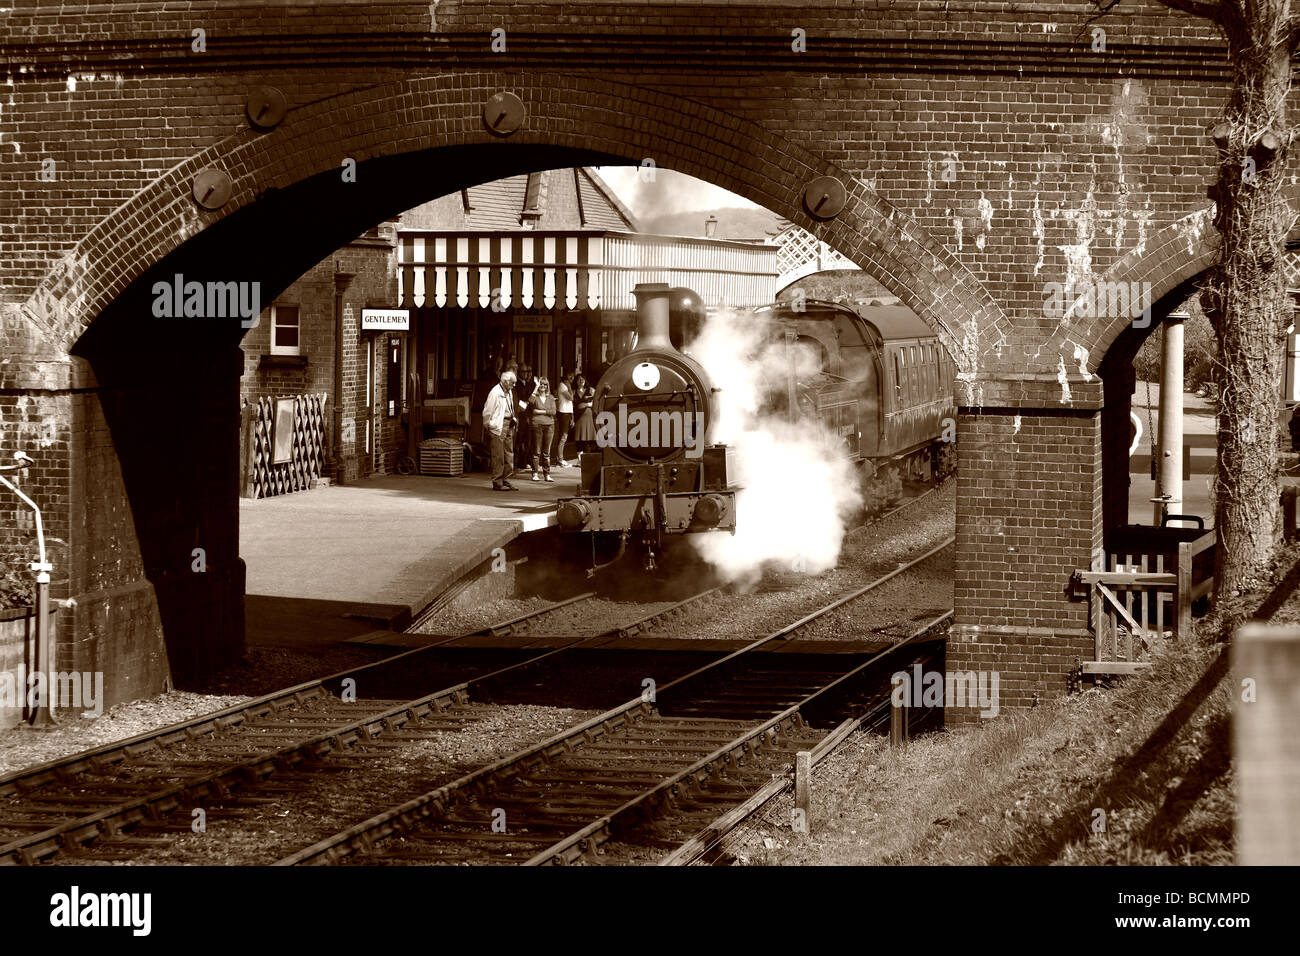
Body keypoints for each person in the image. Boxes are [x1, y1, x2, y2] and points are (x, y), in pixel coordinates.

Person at [482, 369, 518, 491]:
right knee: (498, 455)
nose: (514, 385)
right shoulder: (495, 392)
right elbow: (487, 411)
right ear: (506, 381)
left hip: (508, 424)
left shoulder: (509, 391)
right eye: (512, 382)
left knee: (509, 454)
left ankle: (506, 480)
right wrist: (489, 425)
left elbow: (510, 407)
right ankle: (497, 482)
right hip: (498, 425)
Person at [526, 377, 557, 482]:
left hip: (549, 426)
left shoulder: (551, 397)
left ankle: (547, 474)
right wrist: (535, 387)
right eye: (541, 384)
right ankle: (535, 473)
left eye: (545, 384)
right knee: (536, 451)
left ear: (547, 386)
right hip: (537, 425)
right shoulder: (535, 397)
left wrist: (539, 411)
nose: (543, 386)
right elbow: (530, 401)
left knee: (546, 452)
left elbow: (553, 412)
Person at [514, 363, 537, 463]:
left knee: (527, 439)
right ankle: (516, 462)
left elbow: (532, 398)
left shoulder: (527, 384)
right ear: (518, 372)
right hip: (520, 415)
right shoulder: (516, 384)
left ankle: (524, 461)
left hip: (528, 415)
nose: (526, 373)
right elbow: (516, 400)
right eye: (523, 371)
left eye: (527, 371)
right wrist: (525, 403)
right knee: (518, 439)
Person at [553, 373, 574, 466]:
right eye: (570, 376)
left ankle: (559, 458)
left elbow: (570, 404)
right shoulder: (562, 386)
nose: (572, 378)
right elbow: (571, 398)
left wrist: (572, 417)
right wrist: (569, 387)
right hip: (563, 413)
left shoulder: (565, 386)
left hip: (567, 413)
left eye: (572, 376)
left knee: (563, 436)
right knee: (563, 437)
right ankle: (560, 459)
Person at [573, 373, 597, 455]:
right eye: (578, 379)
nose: (581, 381)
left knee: (589, 438)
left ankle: (588, 457)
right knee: (579, 438)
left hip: (589, 418)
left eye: (582, 379)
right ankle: (579, 459)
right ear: (576, 381)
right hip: (578, 418)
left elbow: (597, 402)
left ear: (585, 380)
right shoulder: (573, 391)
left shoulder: (591, 390)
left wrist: (586, 405)